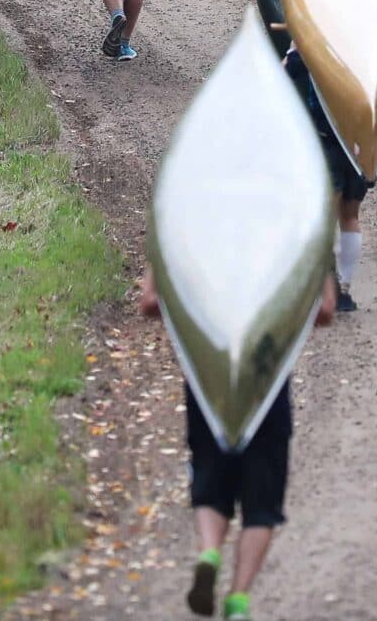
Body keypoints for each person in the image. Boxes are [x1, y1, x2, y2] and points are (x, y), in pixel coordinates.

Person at [136, 262, 334, 621]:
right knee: (262, 504)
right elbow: (324, 309)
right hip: (265, 379)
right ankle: (238, 600)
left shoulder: (187, 216)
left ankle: (210, 552)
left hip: (209, 373)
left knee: (211, 479)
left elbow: (150, 301)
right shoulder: (290, 218)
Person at [277, 34, 369, 314]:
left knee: (323, 219)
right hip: (357, 143)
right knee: (350, 216)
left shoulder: (308, 51)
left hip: (323, 141)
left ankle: (328, 289)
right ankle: (344, 286)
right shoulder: (361, 50)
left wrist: (295, 46)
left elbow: (280, 77)